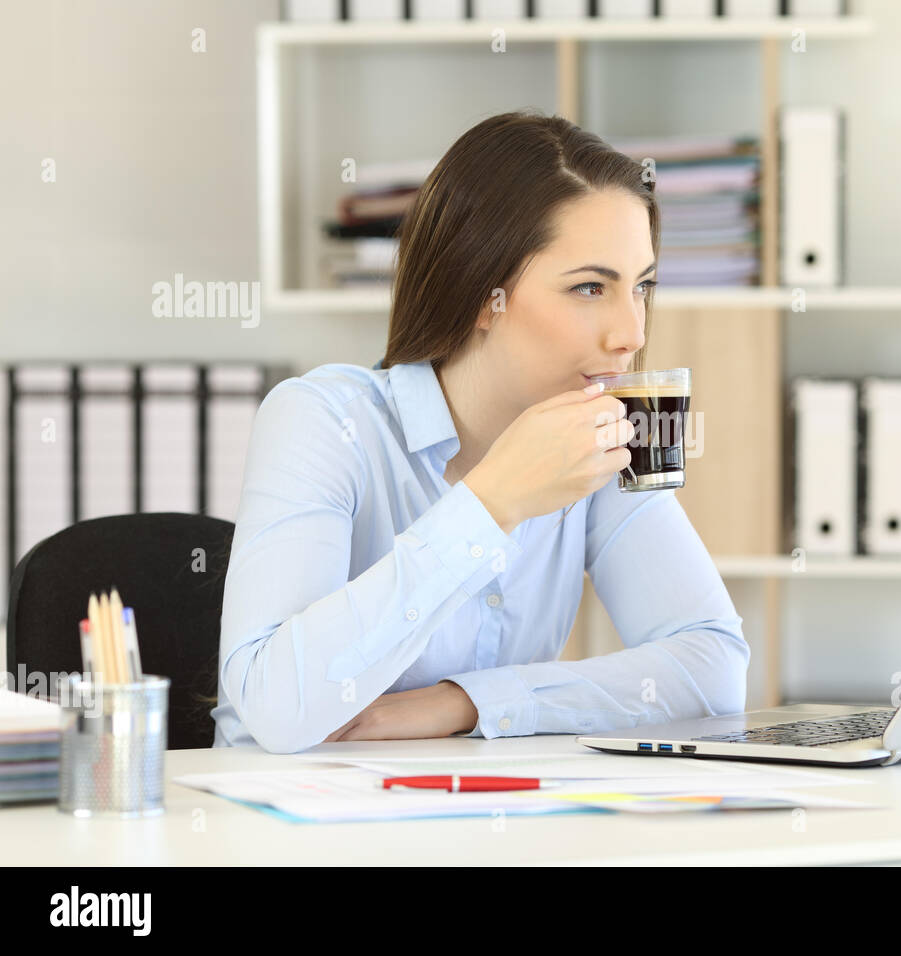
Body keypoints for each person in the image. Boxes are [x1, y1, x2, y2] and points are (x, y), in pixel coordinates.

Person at [210, 110, 749, 753]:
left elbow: (713, 670)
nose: (630, 333)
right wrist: (492, 503)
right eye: (587, 287)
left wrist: (465, 704)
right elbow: (276, 708)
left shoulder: (604, 435)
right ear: (479, 293)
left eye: (641, 287)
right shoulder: (323, 419)